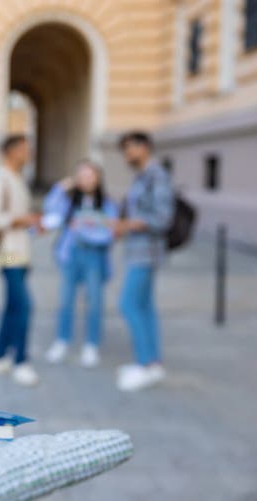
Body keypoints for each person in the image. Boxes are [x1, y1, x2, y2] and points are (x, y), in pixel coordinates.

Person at [111, 131, 174, 392]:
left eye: (131, 147)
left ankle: (144, 363)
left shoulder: (156, 175)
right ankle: (153, 363)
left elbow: (162, 217)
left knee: (128, 304)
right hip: (139, 250)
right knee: (145, 306)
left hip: (146, 251)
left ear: (145, 147)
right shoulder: (143, 176)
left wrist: (126, 225)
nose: (127, 153)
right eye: (124, 148)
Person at [43, 160, 118, 368]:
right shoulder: (69, 202)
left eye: (91, 175)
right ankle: (62, 341)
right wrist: (60, 188)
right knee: (65, 300)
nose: (86, 180)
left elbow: (109, 233)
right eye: (82, 176)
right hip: (70, 256)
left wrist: (86, 228)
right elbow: (50, 211)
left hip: (94, 256)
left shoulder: (107, 204)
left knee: (94, 302)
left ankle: (91, 345)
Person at [0, 134, 42, 387]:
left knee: (12, 306)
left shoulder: (18, 179)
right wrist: (24, 220)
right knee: (25, 306)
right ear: (11, 151)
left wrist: (32, 223)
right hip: (7, 254)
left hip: (21, 251)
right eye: (24, 149)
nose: (28, 153)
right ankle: (21, 361)